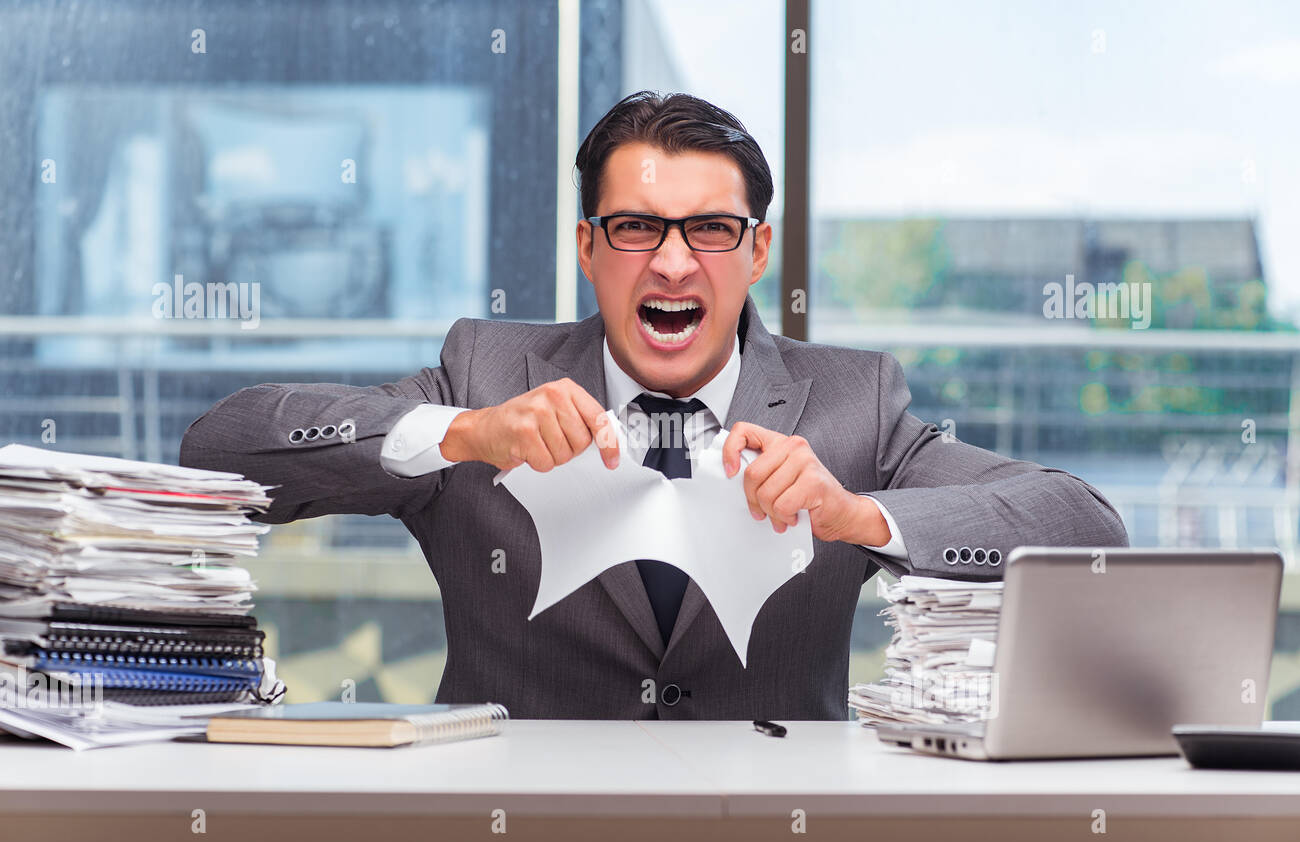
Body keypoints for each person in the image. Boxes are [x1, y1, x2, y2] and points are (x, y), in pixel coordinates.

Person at [180, 90, 1128, 720]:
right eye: (636, 227)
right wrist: (462, 433)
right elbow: (219, 454)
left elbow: (1086, 526)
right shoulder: (485, 374)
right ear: (589, 247)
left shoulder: (853, 402)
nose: (673, 262)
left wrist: (856, 514)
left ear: (756, 254)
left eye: (711, 230)